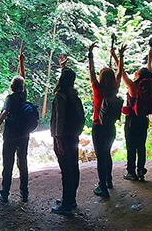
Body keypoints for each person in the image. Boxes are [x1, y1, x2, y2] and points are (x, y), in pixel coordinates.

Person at [0, 49, 36, 204]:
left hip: (11, 133)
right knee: (23, 162)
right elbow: (23, 78)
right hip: (23, 134)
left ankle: (5, 192)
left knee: (8, 163)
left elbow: (5, 112)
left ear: (11, 86)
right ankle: (24, 193)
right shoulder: (23, 95)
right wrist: (21, 62)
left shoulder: (10, 98)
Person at [87, 45, 123, 197]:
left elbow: (91, 73)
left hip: (98, 127)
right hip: (111, 128)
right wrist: (120, 57)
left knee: (100, 157)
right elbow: (120, 73)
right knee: (107, 154)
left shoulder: (97, 89)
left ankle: (102, 187)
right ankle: (109, 180)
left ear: (101, 78)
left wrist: (90, 55)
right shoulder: (115, 89)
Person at [48, 63, 83, 214]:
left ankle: (66, 204)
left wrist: (58, 138)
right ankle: (71, 199)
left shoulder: (60, 96)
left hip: (64, 137)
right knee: (73, 167)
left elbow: (59, 118)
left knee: (66, 170)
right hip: (73, 136)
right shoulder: (73, 94)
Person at [119, 49, 152, 182]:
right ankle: (141, 171)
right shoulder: (149, 85)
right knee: (141, 146)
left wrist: (119, 56)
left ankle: (131, 172)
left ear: (139, 76)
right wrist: (149, 60)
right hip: (143, 120)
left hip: (132, 121)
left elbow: (122, 74)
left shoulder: (133, 87)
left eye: (137, 72)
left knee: (131, 147)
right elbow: (149, 73)